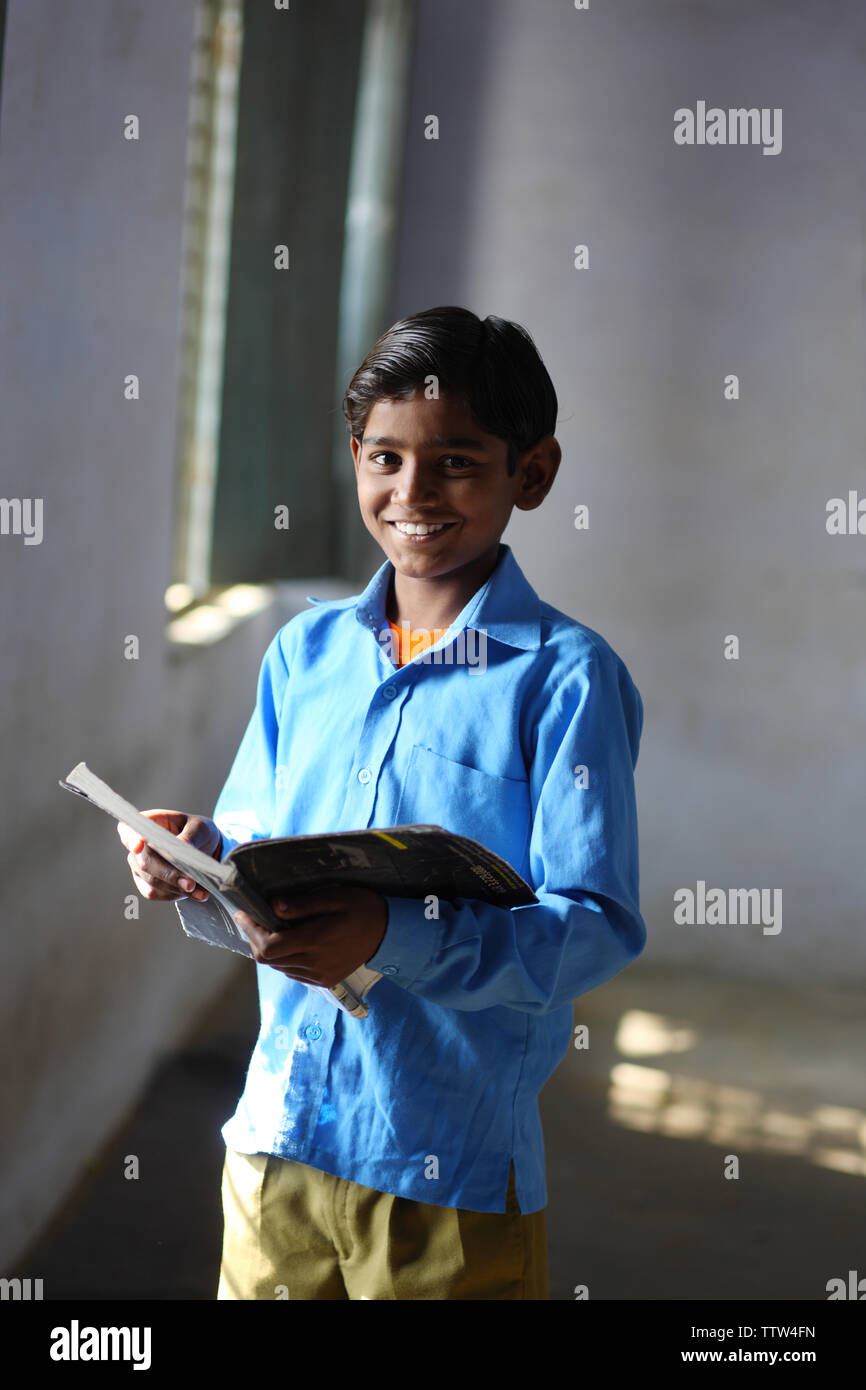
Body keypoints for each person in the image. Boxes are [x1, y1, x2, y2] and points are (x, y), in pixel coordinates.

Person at [118, 305, 647, 1300]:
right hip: (275, 1138)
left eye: (455, 461)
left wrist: (393, 934)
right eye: (384, 457)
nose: (412, 492)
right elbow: (257, 862)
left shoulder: (566, 680)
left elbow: (593, 928)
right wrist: (193, 861)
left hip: (442, 1170)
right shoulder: (304, 656)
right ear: (355, 458)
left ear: (529, 474)